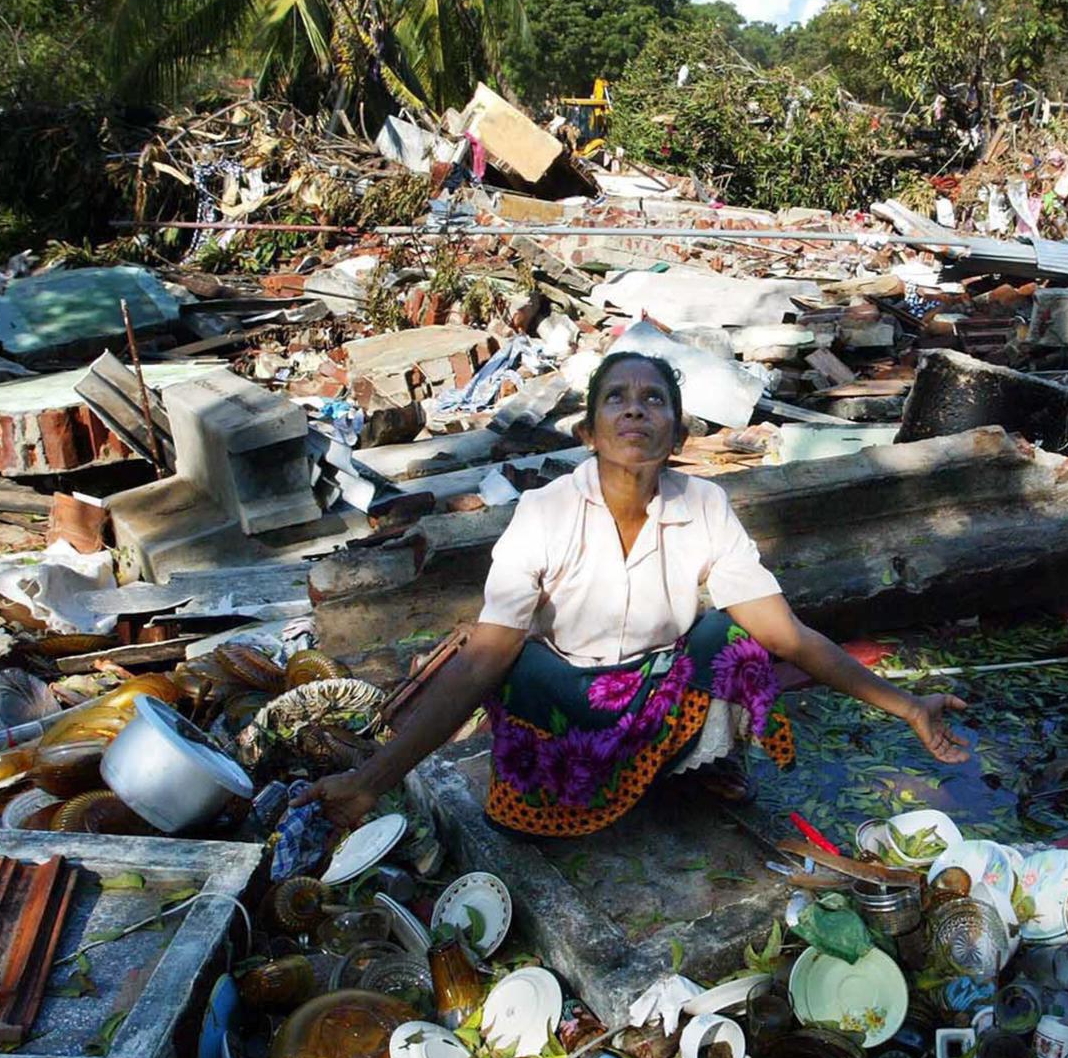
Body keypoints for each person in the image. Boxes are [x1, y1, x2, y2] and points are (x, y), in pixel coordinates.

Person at [297, 351, 970, 836]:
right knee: (504, 654)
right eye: (617, 397)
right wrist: (370, 783)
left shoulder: (705, 505)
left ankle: (694, 768)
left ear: (677, 434)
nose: (635, 410)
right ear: (589, 432)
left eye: (654, 400)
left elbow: (790, 637)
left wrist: (908, 706)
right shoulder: (544, 513)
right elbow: (484, 660)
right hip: (565, 696)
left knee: (733, 636)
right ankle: (577, 792)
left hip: (653, 694)